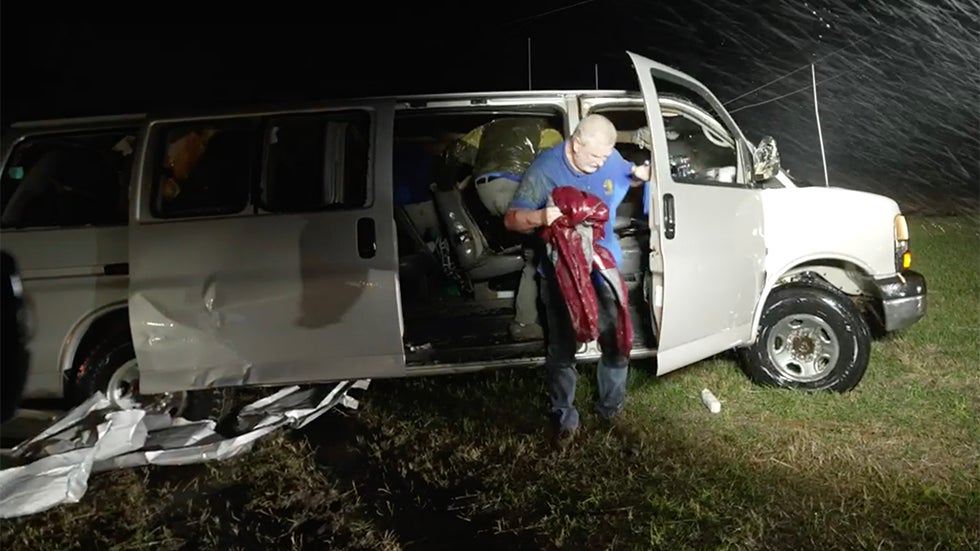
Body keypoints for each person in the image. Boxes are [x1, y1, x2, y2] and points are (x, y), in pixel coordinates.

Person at [503, 114, 651, 449]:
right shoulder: (545, 169)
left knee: (617, 341)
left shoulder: (608, 158)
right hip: (562, 270)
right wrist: (542, 217)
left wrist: (640, 177)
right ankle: (564, 417)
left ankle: (611, 410)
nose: (601, 163)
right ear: (576, 142)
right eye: (595, 156)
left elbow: (625, 174)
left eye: (605, 157)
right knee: (562, 348)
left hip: (603, 265)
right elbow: (512, 219)